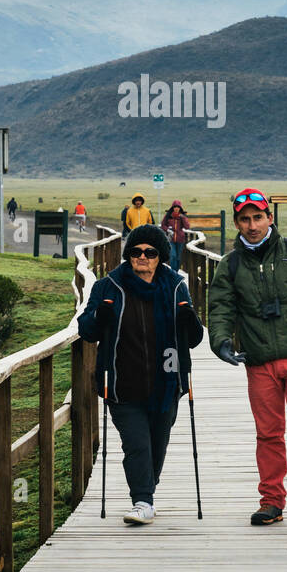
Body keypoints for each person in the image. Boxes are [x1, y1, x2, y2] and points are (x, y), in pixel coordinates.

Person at [207, 187, 287, 527]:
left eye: (257, 217)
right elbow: (220, 307)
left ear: (269, 218)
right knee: (269, 433)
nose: (252, 225)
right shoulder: (231, 264)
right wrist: (219, 341)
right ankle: (271, 502)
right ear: (236, 222)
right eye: (245, 219)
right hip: (259, 361)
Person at [78, 224, 203, 525]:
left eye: (150, 252)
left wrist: (191, 322)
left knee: (157, 444)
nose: (142, 257)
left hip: (167, 381)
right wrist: (99, 316)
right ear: (128, 255)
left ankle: (147, 490)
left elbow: (194, 339)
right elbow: (87, 330)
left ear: (161, 256)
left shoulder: (175, 286)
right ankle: (143, 500)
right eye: (135, 252)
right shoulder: (108, 286)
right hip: (122, 384)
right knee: (137, 444)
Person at [161, 199, 191, 274]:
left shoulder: (182, 217)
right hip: (170, 239)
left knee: (178, 258)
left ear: (180, 208)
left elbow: (187, 227)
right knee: (173, 255)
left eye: (178, 207)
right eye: (175, 207)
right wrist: (168, 230)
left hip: (180, 239)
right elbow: (163, 225)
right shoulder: (168, 216)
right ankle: (173, 272)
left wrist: (183, 218)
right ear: (172, 208)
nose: (176, 208)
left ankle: (176, 272)